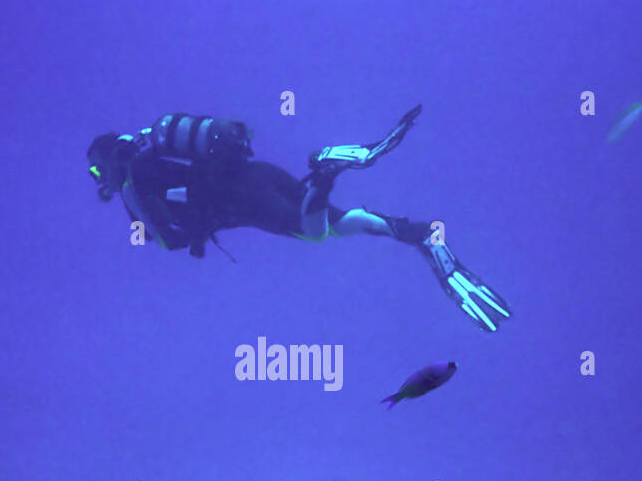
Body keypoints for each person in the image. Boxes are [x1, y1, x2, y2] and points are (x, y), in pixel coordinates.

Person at [87, 107, 511, 332]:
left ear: (108, 160)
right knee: (338, 225)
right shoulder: (154, 154)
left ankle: (325, 169)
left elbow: (169, 240)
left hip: (244, 199)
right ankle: (414, 232)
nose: (97, 179)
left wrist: (150, 226)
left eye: (95, 170)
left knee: (316, 234)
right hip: (258, 173)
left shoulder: (132, 183)